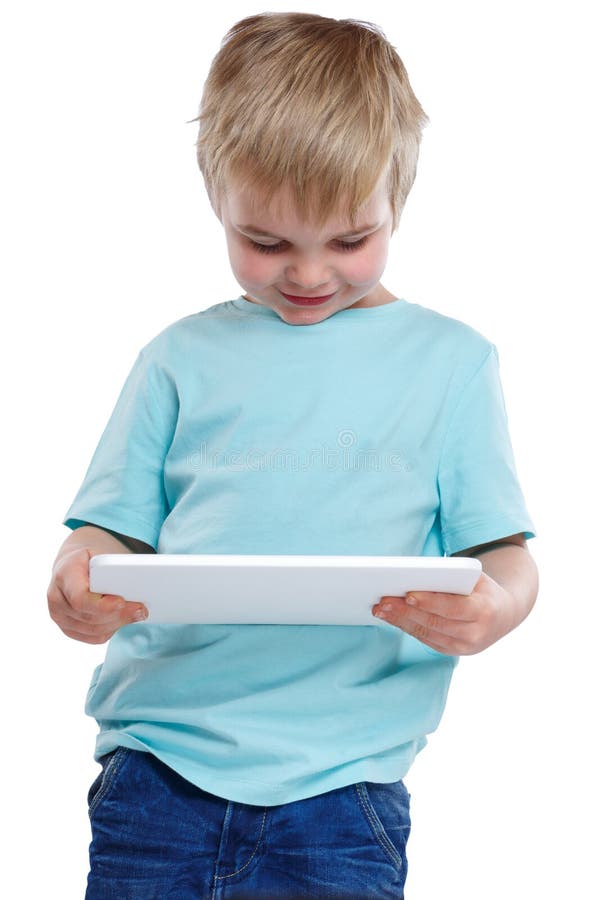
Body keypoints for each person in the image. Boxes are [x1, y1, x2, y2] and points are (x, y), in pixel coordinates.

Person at [47, 12, 539, 899]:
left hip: (346, 789)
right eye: (265, 242)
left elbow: (504, 553)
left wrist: (497, 609)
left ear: (398, 200)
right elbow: (106, 533)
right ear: (217, 201)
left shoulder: (454, 364)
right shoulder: (176, 359)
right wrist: (77, 578)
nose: (308, 275)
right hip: (158, 770)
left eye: (350, 240)